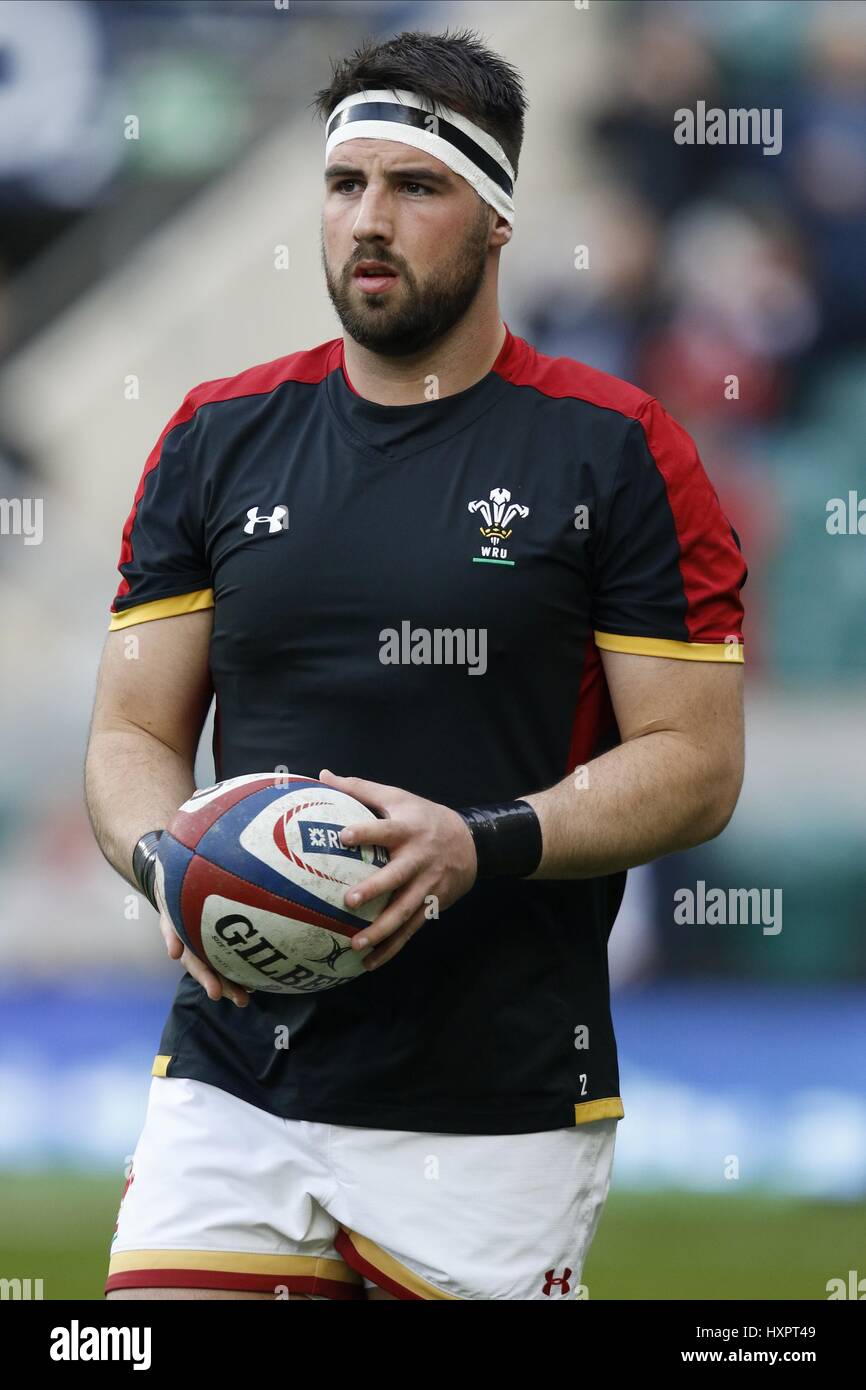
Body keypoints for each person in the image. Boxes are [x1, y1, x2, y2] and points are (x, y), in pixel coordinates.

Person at [85, 28, 746, 1302]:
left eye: (416, 187)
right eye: (346, 186)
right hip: (234, 1078)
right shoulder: (217, 436)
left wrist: (477, 839)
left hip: (493, 1102)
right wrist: (164, 861)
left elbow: (696, 764)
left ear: (497, 219)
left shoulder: (614, 453)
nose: (368, 221)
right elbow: (130, 737)